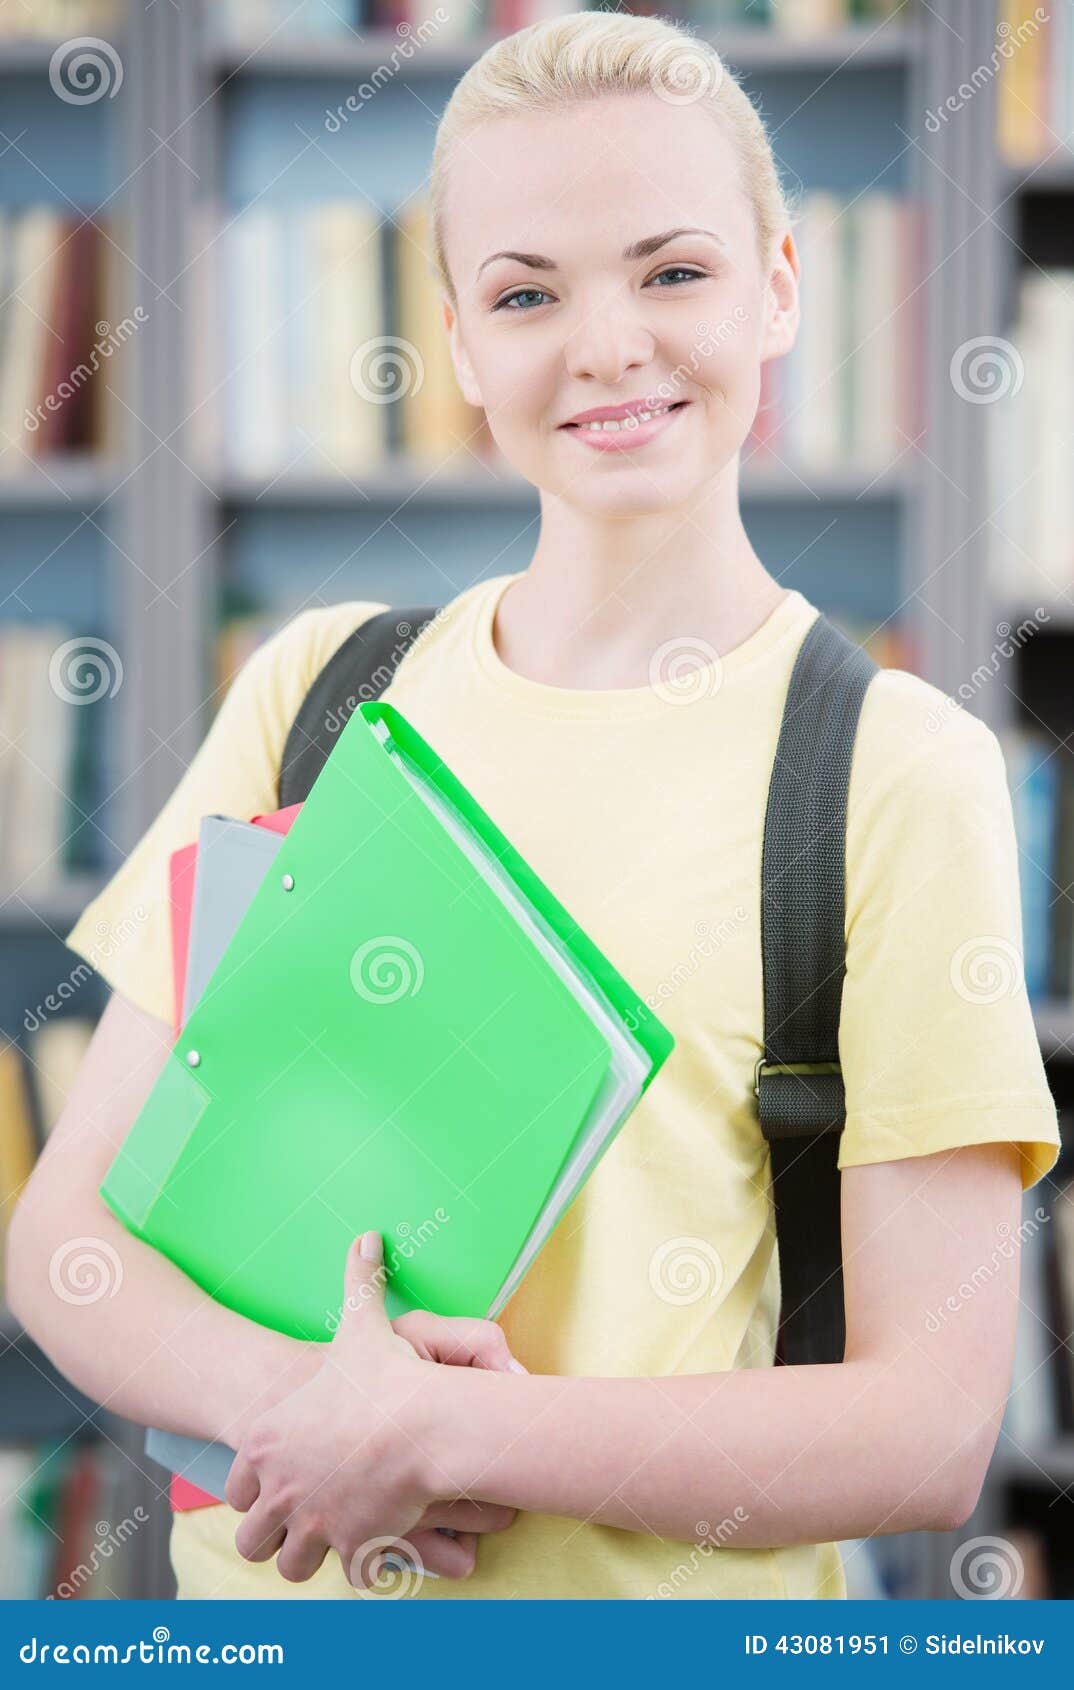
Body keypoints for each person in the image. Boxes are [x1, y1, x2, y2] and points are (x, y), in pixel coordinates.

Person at [7, 10, 1060, 1602]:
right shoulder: (317, 696)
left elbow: (920, 1427)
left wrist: (444, 1438)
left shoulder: (889, 767)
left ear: (779, 288)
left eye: (674, 271)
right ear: (455, 341)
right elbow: (68, 1240)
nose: (608, 345)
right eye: (524, 294)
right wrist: (304, 1415)